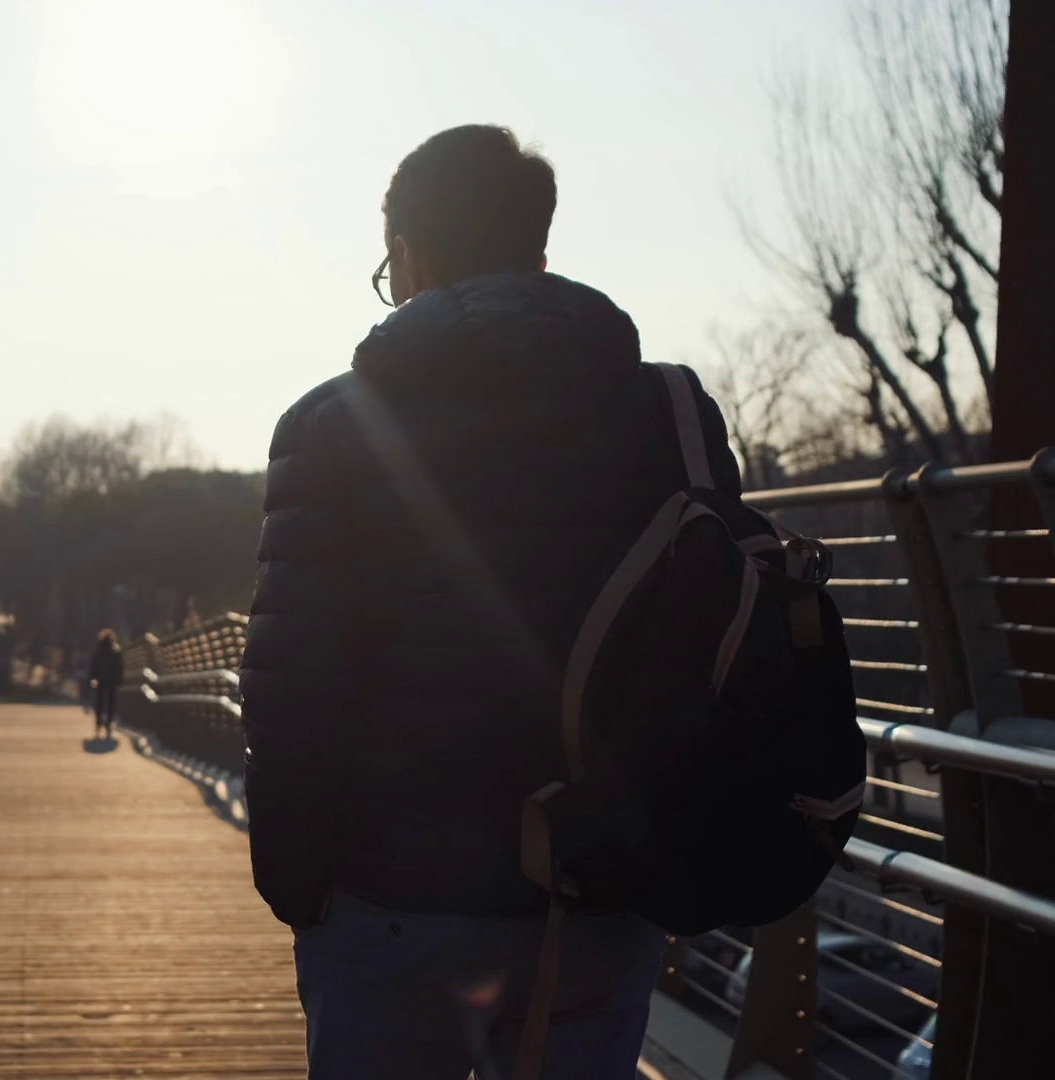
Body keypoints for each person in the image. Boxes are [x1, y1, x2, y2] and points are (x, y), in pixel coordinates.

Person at [238, 125, 744, 1079]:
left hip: (391, 899)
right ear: (539, 255)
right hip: (597, 893)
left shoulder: (334, 426)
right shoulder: (671, 412)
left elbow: (292, 679)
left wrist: (302, 884)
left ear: (407, 254)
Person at [89, 628, 123, 739]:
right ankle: (108, 722)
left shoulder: (98, 651)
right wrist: (119, 680)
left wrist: (92, 678)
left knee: (99, 702)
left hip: (101, 680)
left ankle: (98, 722)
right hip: (112, 681)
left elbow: (94, 666)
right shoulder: (116, 651)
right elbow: (119, 668)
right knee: (111, 703)